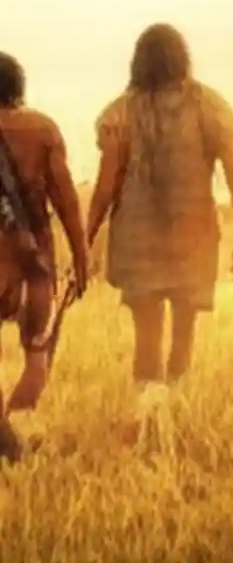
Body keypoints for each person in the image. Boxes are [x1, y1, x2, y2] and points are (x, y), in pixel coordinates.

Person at [87, 23, 233, 390]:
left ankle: (149, 420)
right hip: (192, 234)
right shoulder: (209, 105)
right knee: (183, 334)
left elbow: (105, 187)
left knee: (146, 339)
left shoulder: (120, 113)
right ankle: (174, 416)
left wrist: (87, 239)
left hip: (136, 236)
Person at [0, 52, 90, 463]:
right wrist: (83, 256)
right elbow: (67, 203)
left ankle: (6, 440)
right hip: (33, 266)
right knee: (38, 358)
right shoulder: (42, 129)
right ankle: (10, 431)